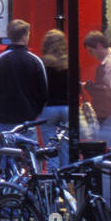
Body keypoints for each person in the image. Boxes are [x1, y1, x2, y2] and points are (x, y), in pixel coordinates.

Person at [0, 19, 47, 133]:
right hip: (27, 120)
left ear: (9, 35)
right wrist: (34, 114)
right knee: (28, 150)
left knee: (6, 150)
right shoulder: (35, 61)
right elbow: (43, 93)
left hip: (4, 119)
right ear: (24, 36)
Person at [38, 29, 69, 166]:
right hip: (67, 108)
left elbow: (38, 88)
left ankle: (52, 181)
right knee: (66, 148)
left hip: (48, 108)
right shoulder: (70, 63)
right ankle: (68, 182)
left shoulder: (42, 63)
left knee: (50, 149)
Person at [83, 30, 111, 123]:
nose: (91, 55)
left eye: (91, 51)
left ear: (99, 45)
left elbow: (107, 92)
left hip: (110, 116)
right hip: (110, 115)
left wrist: (88, 86)